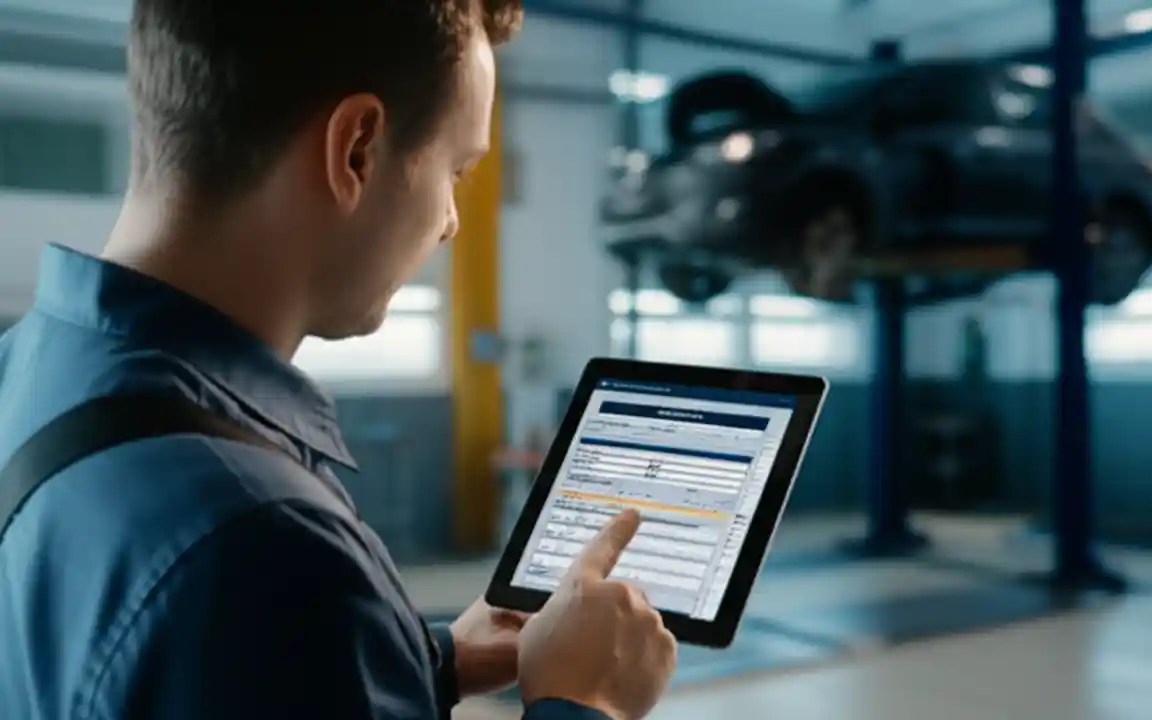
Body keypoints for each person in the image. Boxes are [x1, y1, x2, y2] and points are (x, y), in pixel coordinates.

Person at [0, 1, 676, 719]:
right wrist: (584, 703)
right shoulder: (267, 548)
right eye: (456, 171)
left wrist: (414, 660)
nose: (450, 223)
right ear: (356, 149)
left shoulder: (30, 370)